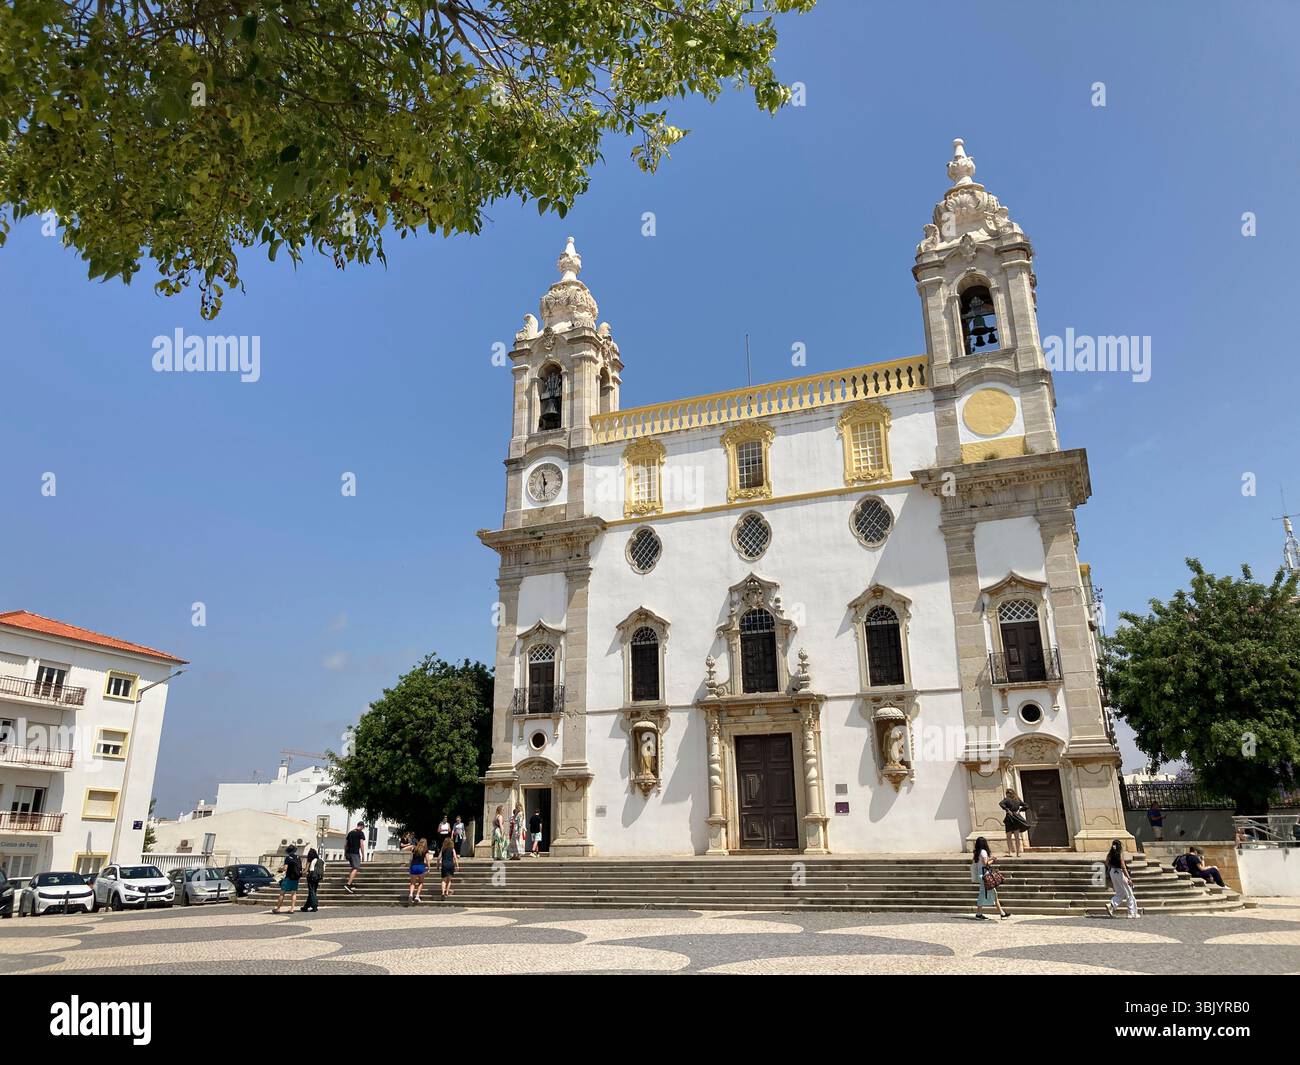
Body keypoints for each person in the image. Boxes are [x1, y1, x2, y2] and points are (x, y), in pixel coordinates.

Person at [971, 836, 1010, 920]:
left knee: (993, 894)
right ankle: (979, 913)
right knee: (984, 894)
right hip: (986, 876)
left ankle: (1002, 913)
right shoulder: (983, 852)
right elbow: (986, 864)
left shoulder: (976, 853)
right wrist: (993, 859)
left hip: (982, 875)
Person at [1104, 839, 1139, 918]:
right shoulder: (1119, 855)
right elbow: (1123, 867)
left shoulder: (1109, 854)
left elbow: (1106, 863)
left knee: (1120, 893)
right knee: (1129, 894)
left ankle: (1111, 905)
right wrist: (1129, 878)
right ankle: (1132, 913)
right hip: (1120, 873)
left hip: (1112, 872)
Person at [999, 788, 1029, 857]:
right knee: (1017, 837)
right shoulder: (1017, 799)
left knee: (1009, 837)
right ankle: (1018, 853)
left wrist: (1007, 810)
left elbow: (1001, 804)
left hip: (1009, 818)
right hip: (1016, 818)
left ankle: (1009, 852)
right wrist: (1020, 810)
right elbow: (1026, 805)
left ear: (1008, 794)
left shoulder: (1007, 799)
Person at [272, 845, 302, 914]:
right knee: (293, 893)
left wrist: (280, 869)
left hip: (289, 877)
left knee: (282, 893)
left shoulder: (288, 858)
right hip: (296, 877)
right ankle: (292, 909)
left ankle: (278, 908)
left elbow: (285, 868)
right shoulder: (298, 857)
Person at [343, 820, 366, 894]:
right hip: (355, 853)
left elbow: (346, 844)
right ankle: (348, 884)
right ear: (362, 826)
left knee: (353, 867)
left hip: (348, 853)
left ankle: (351, 882)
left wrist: (345, 853)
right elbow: (361, 845)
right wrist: (363, 855)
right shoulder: (360, 833)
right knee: (356, 868)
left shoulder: (350, 833)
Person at [301, 848, 323, 912]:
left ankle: (314, 906)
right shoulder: (320, 860)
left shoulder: (310, 860)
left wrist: (300, 872)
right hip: (318, 877)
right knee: (313, 891)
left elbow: (306, 870)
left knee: (311, 891)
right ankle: (306, 907)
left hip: (311, 877)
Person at [439, 834, 460, 899]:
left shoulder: (443, 849)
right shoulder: (452, 849)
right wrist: (457, 865)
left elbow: (438, 858)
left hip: (444, 865)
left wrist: (437, 865)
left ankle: (442, 893)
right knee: (449, 880)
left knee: (443, 880)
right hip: (451, 865)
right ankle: (447, 892)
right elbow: (455, 858)